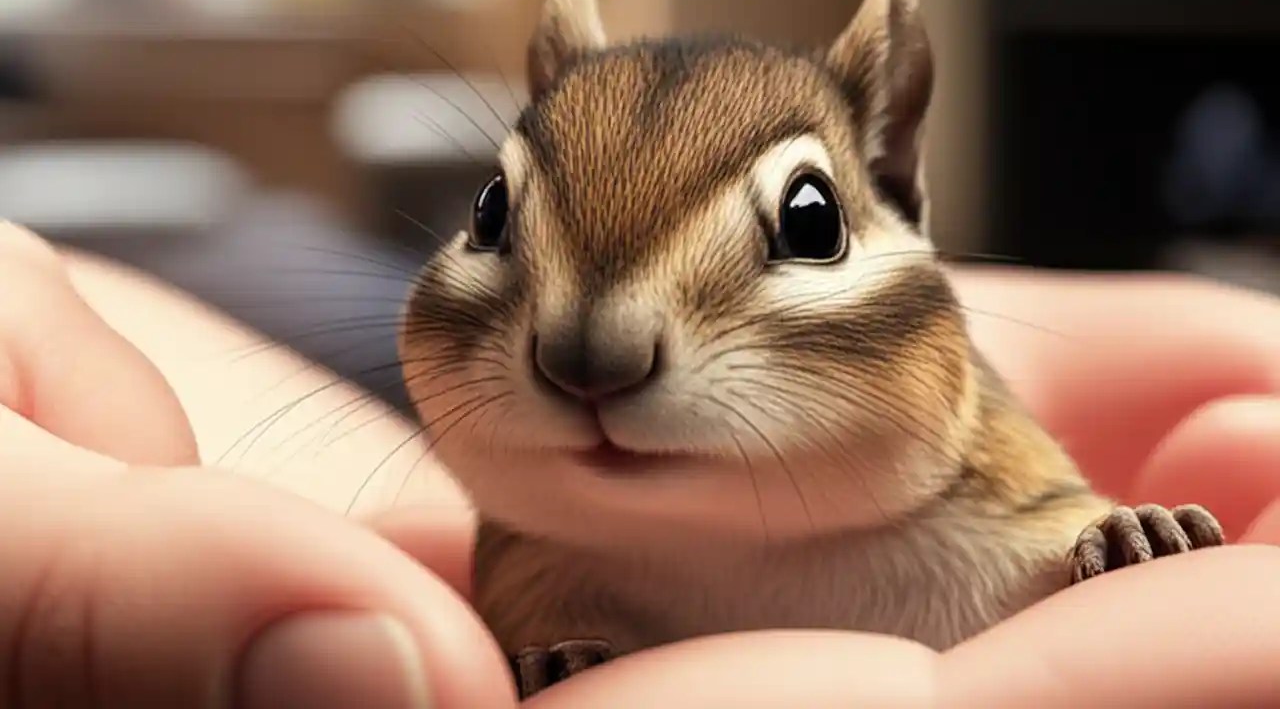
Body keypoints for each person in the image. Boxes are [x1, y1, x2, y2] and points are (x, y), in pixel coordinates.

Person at [2, 218, 1278, 708]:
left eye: (804, 226)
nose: (595, 354)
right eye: (503, 218)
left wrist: (1107, 545)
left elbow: (1048, 522)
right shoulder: (509, 532)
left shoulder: (972, 438)